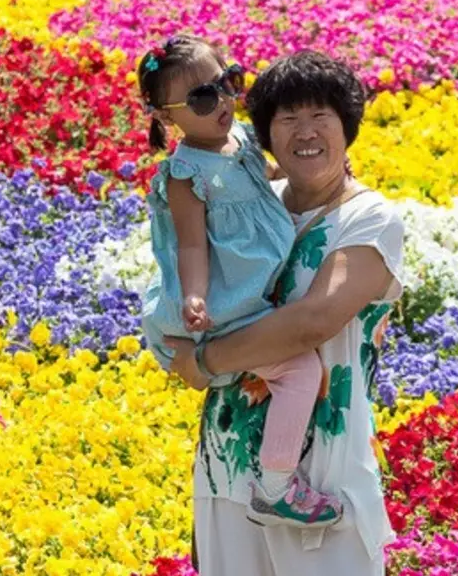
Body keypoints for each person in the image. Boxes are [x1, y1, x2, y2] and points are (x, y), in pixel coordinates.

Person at [166, 50, 404, 576]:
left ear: (347, 127)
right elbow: (183, 272)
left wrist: (206, 361)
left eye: (320, 115)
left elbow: (311, 323)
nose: (305, 131)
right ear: (265, 134)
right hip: (228, 463)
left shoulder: (370, 219)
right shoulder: (250, 211)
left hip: (320, 475)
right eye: (287, 118)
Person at [138, 35, 343, 528]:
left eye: (227, 82)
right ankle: (275, 486)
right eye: (203, 100)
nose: (223, 102)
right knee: (298, 371)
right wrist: (194, 296)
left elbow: (262, 176)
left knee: (284, 373)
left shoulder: (244, 138)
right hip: (224, 306)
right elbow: (190, 244)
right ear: (167, 118)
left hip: (250, 292)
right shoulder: (187, 175)